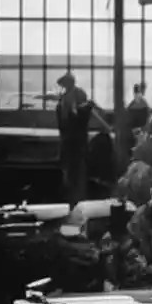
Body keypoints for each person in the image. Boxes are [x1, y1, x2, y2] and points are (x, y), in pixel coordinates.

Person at [55, 72, 93, 205]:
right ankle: (71, 197)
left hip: (75, 139)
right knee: (70, 170)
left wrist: (74, 113)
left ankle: (77, 198)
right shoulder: (66, 97)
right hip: (69, 138)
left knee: (76, 170)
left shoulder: (78, 95)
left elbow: (80, 116)